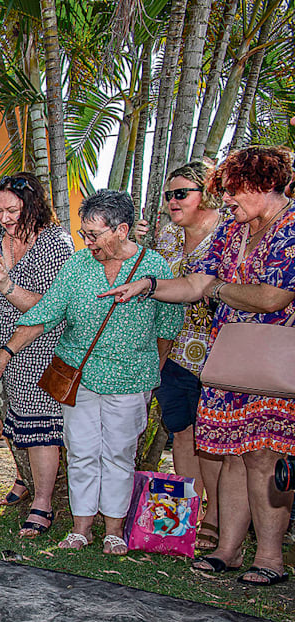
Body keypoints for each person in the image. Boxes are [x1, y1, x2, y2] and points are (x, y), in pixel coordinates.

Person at [106, 146, 295, 584]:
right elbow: (195, 283)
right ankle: (227, 550)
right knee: (231, 455)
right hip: (227, 360)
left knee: (264, 458)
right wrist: (149, 286)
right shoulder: (232, 229)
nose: (226, 200)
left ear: (262, 184)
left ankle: (269, 558)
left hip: (274, 366)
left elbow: (273, 297)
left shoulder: (290, 229)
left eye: (232, 191)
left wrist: (218, 288)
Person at [0, 189, 182, 555]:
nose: (87, 241)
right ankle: (81, 529)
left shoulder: (153, 267)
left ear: (122, 230)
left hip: (130, 379)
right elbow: (46, 313)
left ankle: (114, 530)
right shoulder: (78, 266)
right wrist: (6, 352)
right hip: (80, 377)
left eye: (94, 235)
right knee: (81, 452)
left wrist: (150, 373)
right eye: (84, 234)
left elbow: (167, 328)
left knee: (119, 455)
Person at [0, 172, 73, 532]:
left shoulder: (56, 242)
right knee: (9, 418)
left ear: (33, 207)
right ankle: (25, 478)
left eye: (14, 211)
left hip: (42, 345)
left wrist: (6, 285)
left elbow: (54, 308)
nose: (5, 218)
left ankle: (43, 502)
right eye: (0, 210)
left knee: (41, 426)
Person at [150, 160, 223, 551]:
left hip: (220, 353)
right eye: (168, 195)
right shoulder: (166, 235)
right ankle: (188, 514)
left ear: (206, 192)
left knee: (214, 439)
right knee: (182, 432)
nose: (172, 202)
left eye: (181, 193)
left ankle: (216, 517)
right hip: (174, 350)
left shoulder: (230, 233)